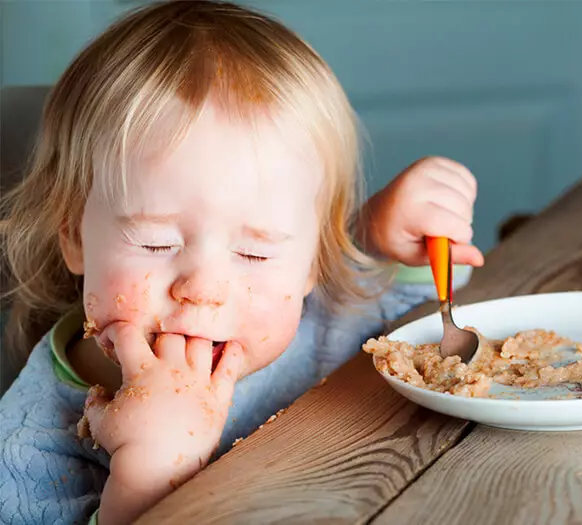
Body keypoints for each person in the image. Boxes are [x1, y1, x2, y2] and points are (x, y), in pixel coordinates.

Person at [0, 1, 484, 524]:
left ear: (310, 263)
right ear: (73, 235)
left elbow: (420, 319)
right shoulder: (31, 442)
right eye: (157, 243)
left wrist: (384, 238)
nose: (204, 288)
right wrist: (149, 473)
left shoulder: (316, 322)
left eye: (254, 251)